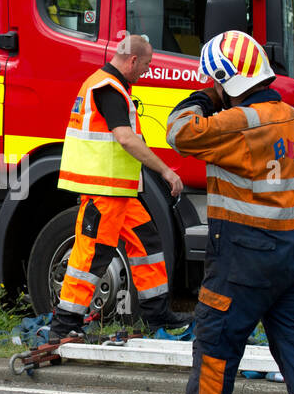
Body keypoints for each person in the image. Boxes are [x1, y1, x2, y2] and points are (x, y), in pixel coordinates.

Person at [151, 30, 294, 394]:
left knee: (217, 341)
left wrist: (205, 98)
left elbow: (180, 130)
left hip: (242, 256)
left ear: (225, 80)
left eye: (216, 81)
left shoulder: (239, 123)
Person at [49, 31, 193, 342]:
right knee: (90, 258)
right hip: (105, 193)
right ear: (132, 60)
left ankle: (157, 315)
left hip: (120, 193)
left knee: (147, 245)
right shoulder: (108, 88)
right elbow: (126, 139)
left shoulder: (109, 86)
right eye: (147, 64)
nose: (148, 70)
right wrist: (166, 171)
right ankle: (64, 326)